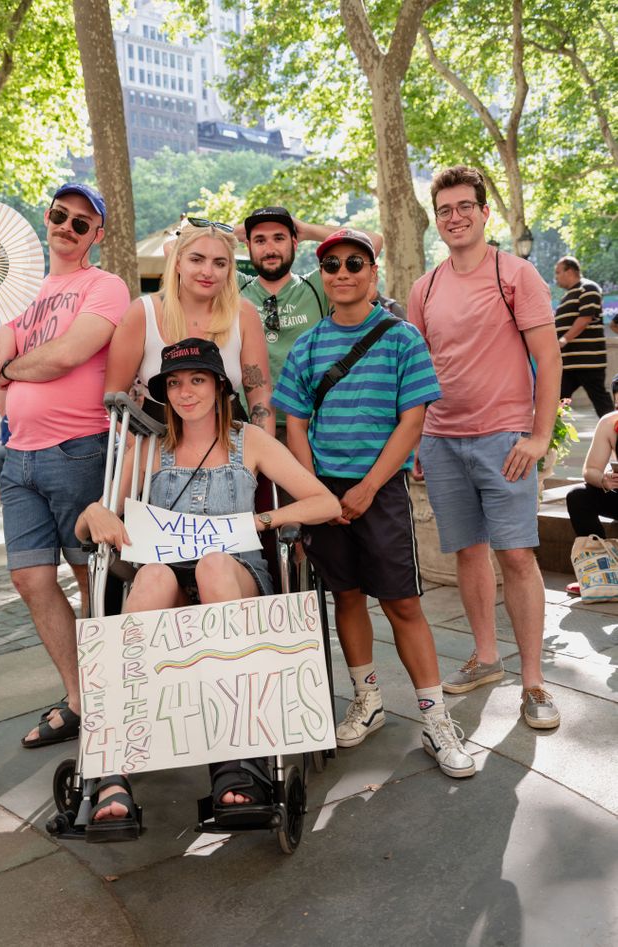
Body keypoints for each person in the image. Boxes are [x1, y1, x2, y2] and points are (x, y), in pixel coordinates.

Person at [74, 339, 341, 838]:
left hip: (234, 578)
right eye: (175, 383)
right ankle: (115, 766)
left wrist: (260, 520)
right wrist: (94, 512)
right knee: (154, 574)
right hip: (171, 578)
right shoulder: (150, 449)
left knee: (214, 565)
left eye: (197, 380)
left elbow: (325, 503)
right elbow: (87, 526)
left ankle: (237, 756)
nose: (185, 392)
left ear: (220, 387)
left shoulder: (249, 441)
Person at [273, 228, 476, 779]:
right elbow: (295, 423)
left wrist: (367, 487)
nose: (342, 273)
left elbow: (413, 421)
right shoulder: (307, 345)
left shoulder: (402, 338)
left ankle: (435, 719)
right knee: (346, 596)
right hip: (323, 490)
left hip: (380, 489)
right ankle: (369, 700)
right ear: (322, 275)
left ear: (372, 272)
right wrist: (315, 492)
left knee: (402, 603)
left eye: (354, 263)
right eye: (332, 265)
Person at [0, 183, 130, 747]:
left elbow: (66, 355)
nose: (67, 227)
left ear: (96, 234)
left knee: (91, 579)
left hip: (80, 450)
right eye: (60, 215)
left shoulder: (104, 285)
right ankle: (80, 699)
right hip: (20, 457)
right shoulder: (21, 293)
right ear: (47, 218)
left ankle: (114, 701)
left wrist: (10, 371)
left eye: (81, 222)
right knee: (29, 579)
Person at [407, 165, 563, 730]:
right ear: (437, 219)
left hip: (505, 440)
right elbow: (419, 370)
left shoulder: (515, 273)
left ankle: (534, 682)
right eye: (444, 210)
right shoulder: (424, 288)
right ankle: (486, 657)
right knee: (468, 552)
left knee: (517, 556)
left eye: (464, 206)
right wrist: (417, 440)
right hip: (441, 440)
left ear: (483, 211)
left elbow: (548, 357)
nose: (455, 217)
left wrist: (539, 436)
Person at [104, 220, 274, 435]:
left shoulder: (244, 313)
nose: (208, 271)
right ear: (177, 263)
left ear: (229, 269)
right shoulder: (142, 313)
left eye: (219, 263)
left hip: (231, 441)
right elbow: (114, 399)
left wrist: (261, 448)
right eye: (196, 260)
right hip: (157, 439)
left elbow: (259, 397)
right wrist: (139, 448)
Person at [236, 207, 384, 420]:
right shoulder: (235, 287)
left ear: (294, 243)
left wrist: (307, 230)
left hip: (308, 424)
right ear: (248, 246)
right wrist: (234, 233)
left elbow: (373, 241)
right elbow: (185, 248)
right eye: (260, 240)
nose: (270, 249)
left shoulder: (317, 286)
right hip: (251, 423)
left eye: (279, 238)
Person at [564, 374, 618, 594]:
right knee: (578, 496)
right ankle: (596, 574)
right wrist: (603, 479)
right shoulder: (609, 423)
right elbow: (590, 470)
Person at [554, 256, 613, 418]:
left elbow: (585, 318)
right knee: (556, 401)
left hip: (588, 361)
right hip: (569, 363)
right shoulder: (567, 296)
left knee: (601, 402)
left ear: (570, 271)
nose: (556, 277)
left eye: (558, 272)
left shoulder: (588, 288)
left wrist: (563, 340)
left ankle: (613, 430)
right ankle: (548, 433)